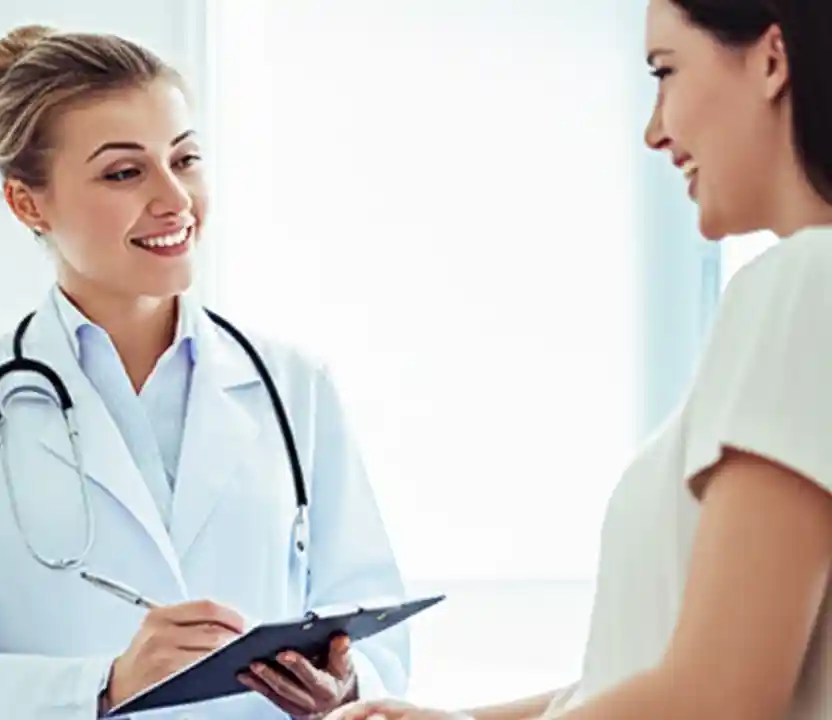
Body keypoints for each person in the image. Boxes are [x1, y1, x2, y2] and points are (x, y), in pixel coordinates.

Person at [0, 24, 412, 720]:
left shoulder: (296, 385)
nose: (174, 197)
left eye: (185, 159)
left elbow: (382, 646)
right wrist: (105, 684)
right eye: (124, 172)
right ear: (28, 203)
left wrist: (348, 691)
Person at [330, 0, 832, 718]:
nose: (654, 130)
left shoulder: (804, 281)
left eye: (666, 71)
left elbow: (718, 696)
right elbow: (640, 669)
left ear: (771, 60)